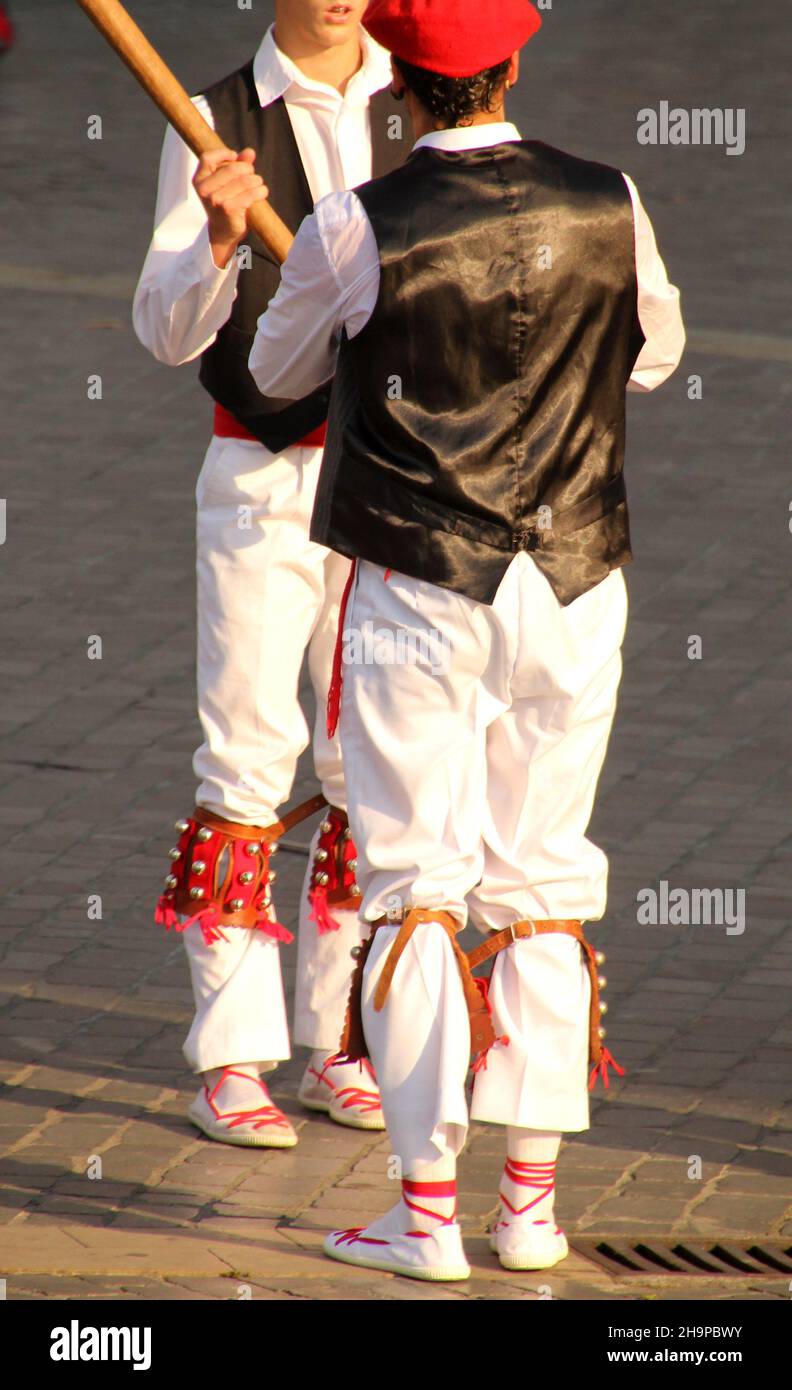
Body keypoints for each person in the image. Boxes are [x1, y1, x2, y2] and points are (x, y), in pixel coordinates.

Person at [250, 0, 685, 1277]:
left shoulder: (357, 220)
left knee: (416, 883)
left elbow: (278, 370)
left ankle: (427, 1210)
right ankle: (533, 1209)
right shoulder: (612, 196)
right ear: (512, 60)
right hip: (574, 577)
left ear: (402, 71)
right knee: (544, 879)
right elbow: (653, 354)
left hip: (423, 583)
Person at [133, 0, 407, 1147]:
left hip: (391, 479)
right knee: (248, 752)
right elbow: (162, 328)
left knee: (370, 757)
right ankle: (233, 1056)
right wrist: (219, 240)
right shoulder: (210, 118)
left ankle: (339, 1037)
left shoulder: (425, 100)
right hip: (260, 478)